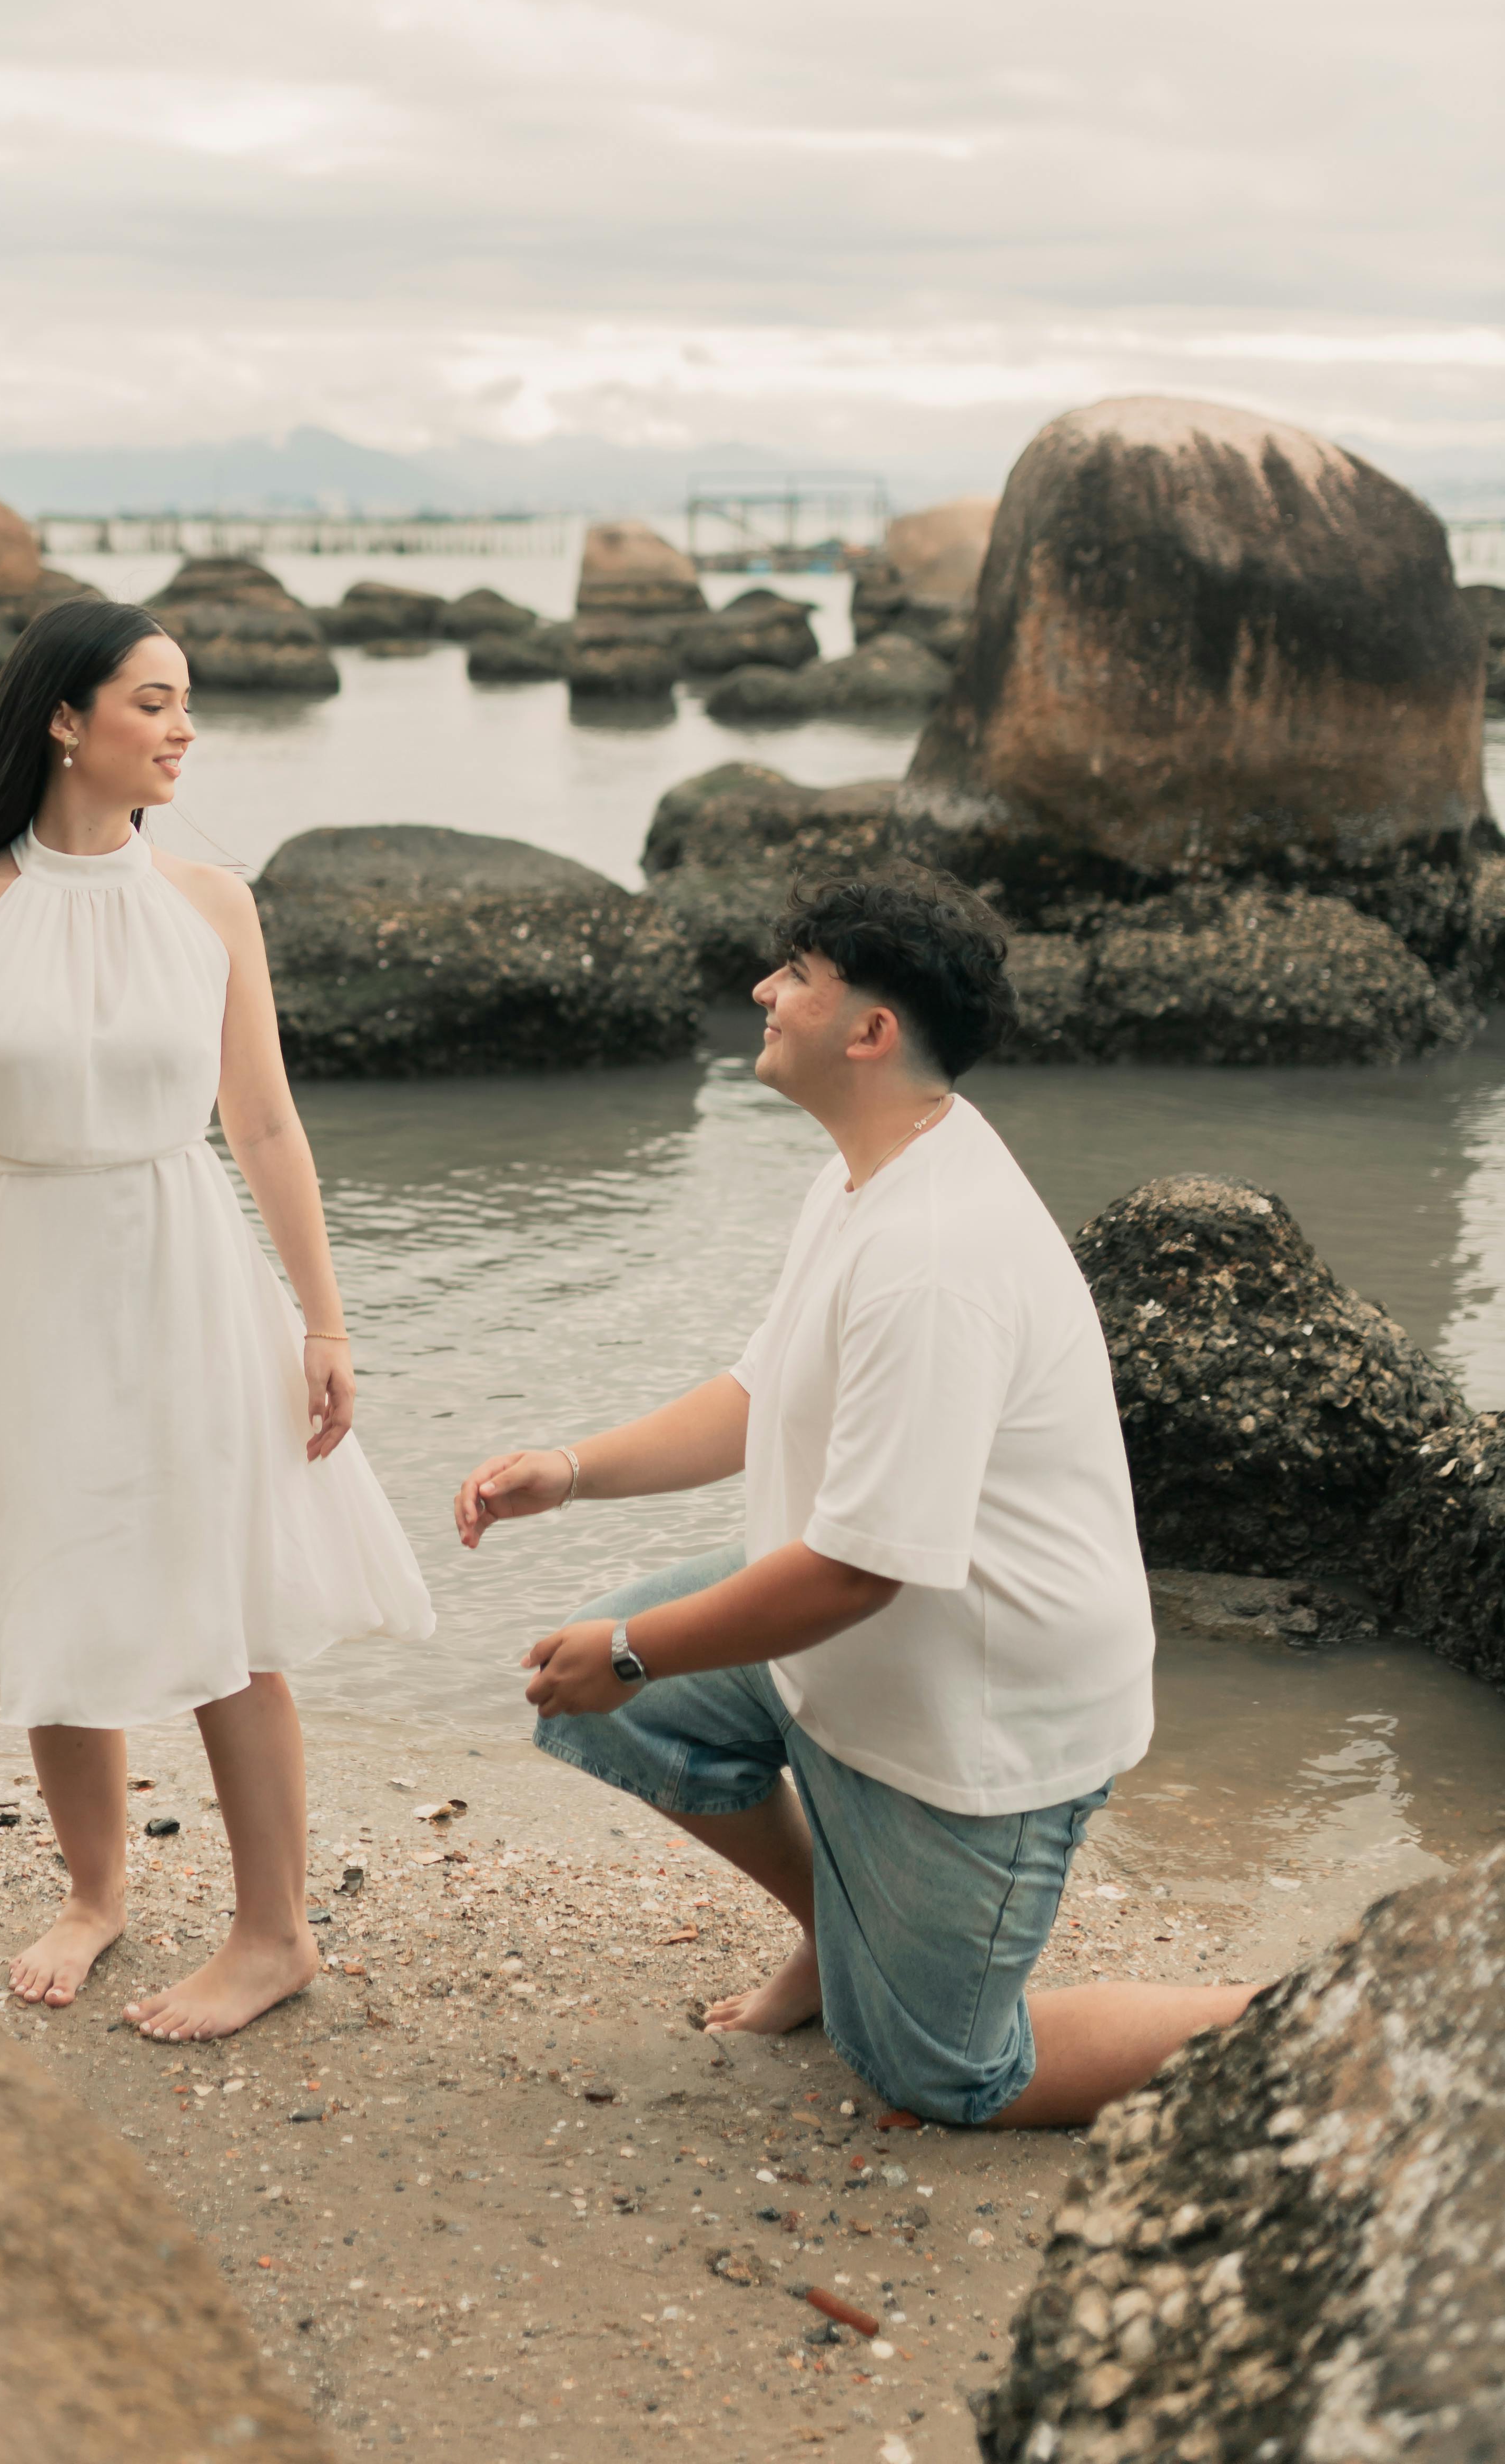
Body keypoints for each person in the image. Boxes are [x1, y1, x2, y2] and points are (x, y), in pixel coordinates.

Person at [453, 871, 1259, 2129]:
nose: (765, 992)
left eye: (798, 978)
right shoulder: (868, 1171)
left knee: (946, 2078)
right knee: (621, 1709)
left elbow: (855, 1573)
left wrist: (628, 1648)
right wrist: (573, 1470)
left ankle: (1310, 2010)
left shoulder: (932, 1256)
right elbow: (758, 1392)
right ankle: (844, 1942)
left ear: (869, 1032)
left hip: (977, 1722)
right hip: (861, 1653)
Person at [0, 598, 433, 2041]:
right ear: (64, 720)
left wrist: (325, 1321)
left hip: (189, 1259)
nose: (183, 727)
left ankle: (273, 1932)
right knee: (54, 1570)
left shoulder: (213, 901)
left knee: (233, 1584)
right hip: (31, 1260)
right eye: (153, 701)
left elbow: (267, 1125)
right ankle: (95, 1893)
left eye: (186, 701)